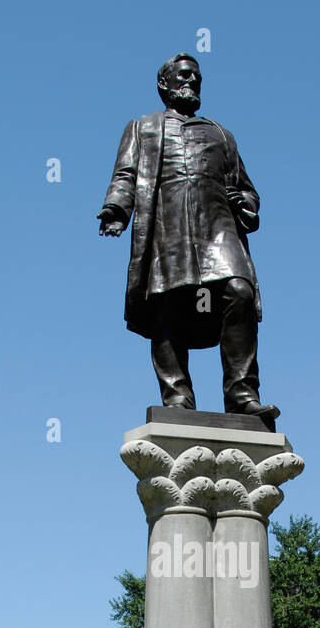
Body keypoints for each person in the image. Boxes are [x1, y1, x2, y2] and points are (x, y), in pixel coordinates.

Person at [99, 53, 279, 426]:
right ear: (163, 84)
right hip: (168, 228)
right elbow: (126, 174)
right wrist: (116, 210)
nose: (191, 83)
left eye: (196, 78)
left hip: (217, 229)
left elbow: (248, 190)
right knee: (167, 306)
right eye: (183, 76)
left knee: (239, 291)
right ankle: (177, 397)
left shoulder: (221, 134)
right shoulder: (143, 127)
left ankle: (243, 395)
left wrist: (244, 202)